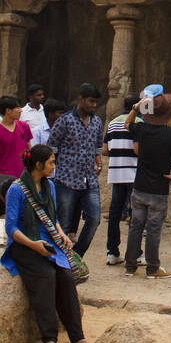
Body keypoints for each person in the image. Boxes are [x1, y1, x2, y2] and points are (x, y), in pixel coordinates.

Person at [1, 144, 90, 343]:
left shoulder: (49, 186)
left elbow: (52, 217)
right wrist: (34, 245)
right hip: (24, 245)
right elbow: (11, 227)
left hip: (47, 242)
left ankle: (76, 336)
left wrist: (60, 233)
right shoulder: (16, 189)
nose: (54, 166)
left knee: (66, 276)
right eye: (51, 162)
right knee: (46, 277)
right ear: (38, 164)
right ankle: (49, 337)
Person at [122, 93, 171, 280]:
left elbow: (126, 125)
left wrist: (135, 109)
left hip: (139, 186)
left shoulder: (142, 129)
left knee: (135, 226)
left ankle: (130, 266)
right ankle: (152, 268)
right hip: (159, 188)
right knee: (153, 229)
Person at [49, 84, 104, 262]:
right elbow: (52, 145)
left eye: (96, 102)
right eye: (91, 101)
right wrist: (56, 165)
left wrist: (98, 161)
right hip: (66, 180)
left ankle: (76, 256)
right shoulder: (65, 120)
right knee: (63, 224)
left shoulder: (97, 122)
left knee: (94, 219)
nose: (94, 105)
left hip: (90, 180)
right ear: (81, 99)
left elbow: (98, 145)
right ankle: (61, 260)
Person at [103, 94, 141, 266]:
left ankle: (112, 251)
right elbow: (138, 149)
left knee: (115, 212)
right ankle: (135, 253)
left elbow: (105, 149)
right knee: (136, 214)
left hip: (116, 173)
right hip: (133, 172)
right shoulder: (139, 123)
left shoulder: (112, 123)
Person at [0, 95, 33, 177]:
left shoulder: (24, 126)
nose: (21, 110)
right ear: (8, 110)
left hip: (25, 176)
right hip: (6, 178)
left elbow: (29, 148)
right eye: (17, 108)